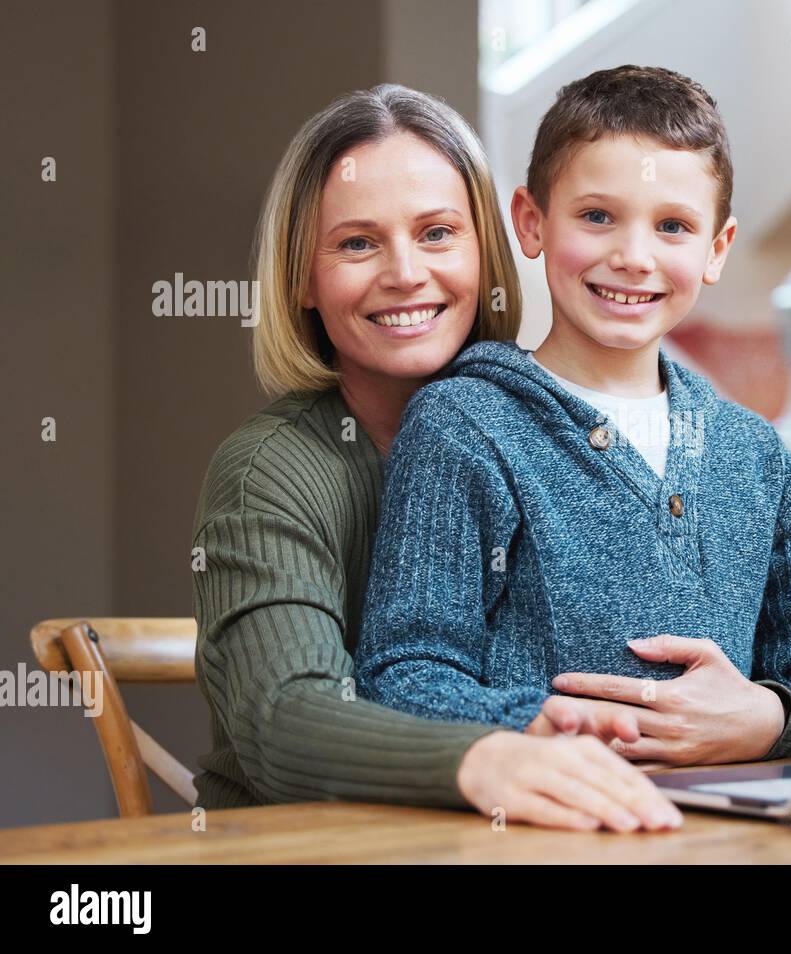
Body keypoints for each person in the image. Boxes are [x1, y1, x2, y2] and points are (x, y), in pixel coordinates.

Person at [191, 83, 682, 833]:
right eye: (357, 243)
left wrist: (767, 709)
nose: (404, 273)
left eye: (437, 233)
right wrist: (483, 757)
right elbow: (282, 718)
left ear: (489, 246)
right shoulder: (271, 472)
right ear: (301, 280)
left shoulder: (561, 434)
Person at [355, 67, 791, 767]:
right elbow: (403, 679)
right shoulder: (463, 426)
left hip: (735, 839)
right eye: (597, 216)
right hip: (545, 835)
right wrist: (567, 728)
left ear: (717, 248)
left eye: (673, 226)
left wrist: (772, 717)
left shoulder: (753, 452)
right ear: (531, 223)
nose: (632, 257)